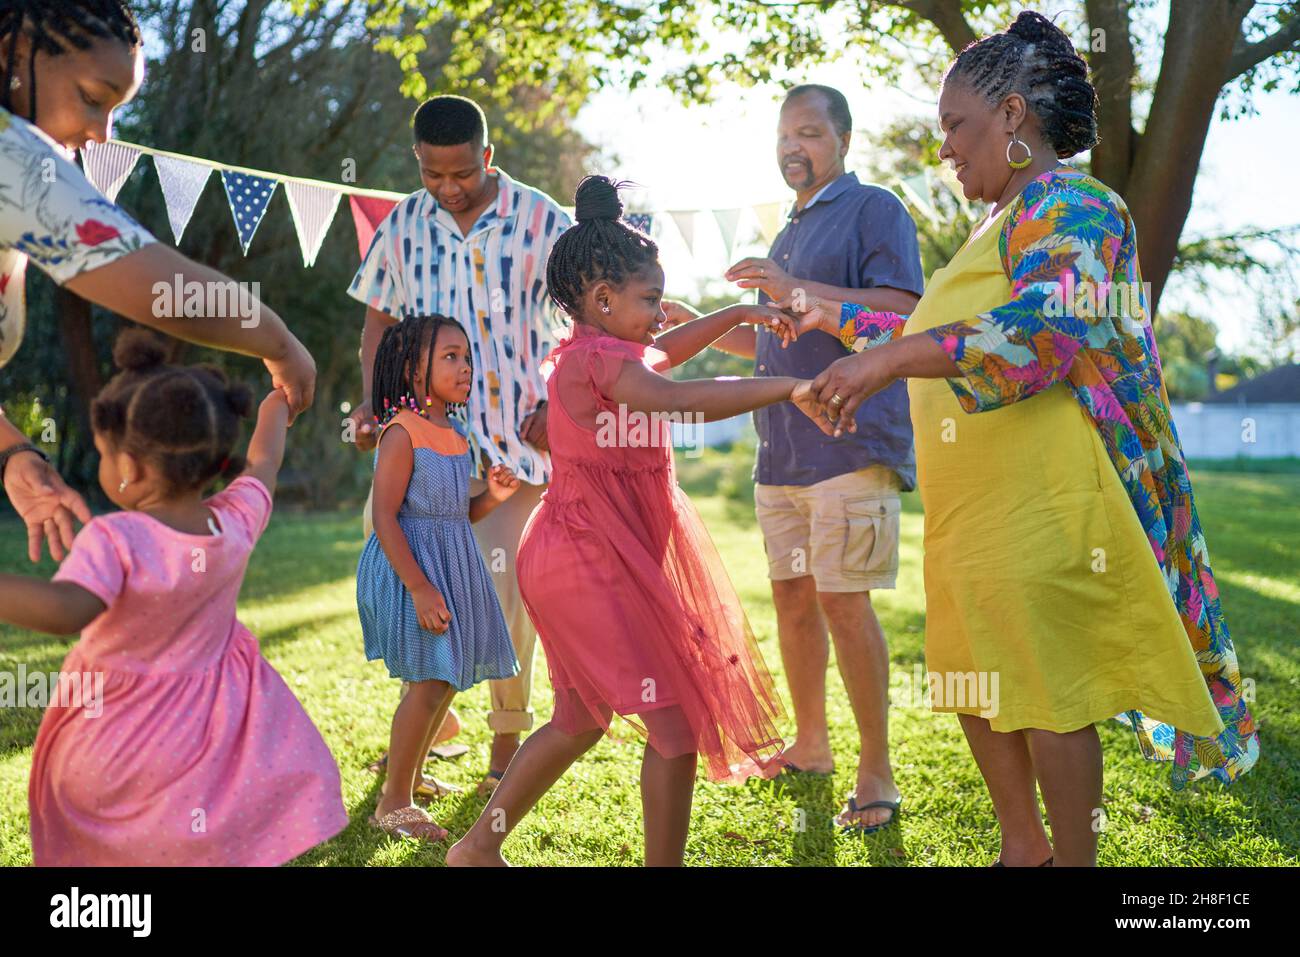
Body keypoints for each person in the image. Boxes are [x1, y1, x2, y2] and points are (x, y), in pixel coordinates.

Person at [786, 11, 1259, 866]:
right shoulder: (996, 222)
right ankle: (1022, 849)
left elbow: (1044, 328)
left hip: (1048, 499)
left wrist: (887, 361)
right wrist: (825, 312)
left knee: (1046, 690)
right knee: (974, 679)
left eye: (955, 128)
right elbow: (935, 327)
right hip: (974, 509)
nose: (945, 150)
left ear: (1012, 116)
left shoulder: (1075, 204)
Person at [447, 176, 825, 867]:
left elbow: (668, 352)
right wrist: (790, 386)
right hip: (584, 560)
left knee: (576, 720)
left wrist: (736, 316)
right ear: (601, 300)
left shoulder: (612, 351)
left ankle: (475, 848)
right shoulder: (596, 364)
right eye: (649, 300)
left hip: (586, 553)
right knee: (676, 726)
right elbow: (680, 395)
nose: (658, 312)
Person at [663, 84, 924, 832]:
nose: (791, 147)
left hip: (851, 441)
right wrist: (706, 327)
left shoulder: (876, 209)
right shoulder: (788, 232)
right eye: (783, 136)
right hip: (780, 453)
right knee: (794, 600)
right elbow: (778, 339)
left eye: (808, 132)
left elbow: (900, 316)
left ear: (842, 139)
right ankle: (813, 746)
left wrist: (796, 286)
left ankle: (877, 770)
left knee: (847, 601)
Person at [0, 330, 347, 865]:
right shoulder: (234, 521)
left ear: (131, 470)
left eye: (102, 453)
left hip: (117, 743)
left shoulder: (118, 539)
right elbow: (264, 463)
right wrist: (280, 402)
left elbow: (66, 610)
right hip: (208, 743)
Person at [0, 0, 316, 564]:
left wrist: (12, 451)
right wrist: (278, 342)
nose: (102, 134)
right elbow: (163, 289)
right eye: (93, 100)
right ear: (13, 55)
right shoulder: (10, 155)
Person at [348, 95, 569, 794]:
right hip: (426, 450)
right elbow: (378, 325)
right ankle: (424, 735)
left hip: (515, 446)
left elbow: (590, 315)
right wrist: (378, 406)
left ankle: (507, 742)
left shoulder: (542, 220)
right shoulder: (404, 226)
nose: (447, 188)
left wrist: (558, 402)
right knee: (408, 580)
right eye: (431, 174)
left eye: (462, 174)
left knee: (504, 594)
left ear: (489, 158)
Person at [357, 314, 522, 842]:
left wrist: (492, 498)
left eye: (467, 357)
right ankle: (393, 802)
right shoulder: (401, 433)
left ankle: (411, 776)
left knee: (445, 680)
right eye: (450, 356)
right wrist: (420, 587)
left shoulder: (456, 431)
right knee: (430, 683)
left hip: (453, 561)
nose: (464, 367)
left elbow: (456, 513)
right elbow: (386, 517)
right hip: (413, 569)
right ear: (412, 368)